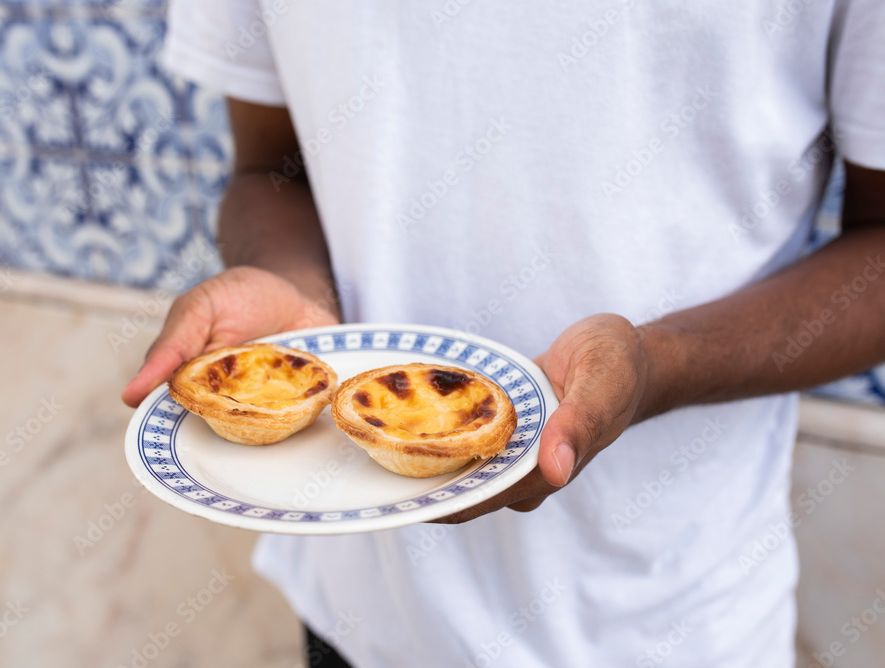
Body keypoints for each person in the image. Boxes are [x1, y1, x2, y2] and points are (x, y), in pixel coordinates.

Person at [122, 1, 885, 665]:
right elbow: (268, 170)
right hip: (363, 613)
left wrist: (656, 366)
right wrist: (294, 290)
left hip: (668, 622)